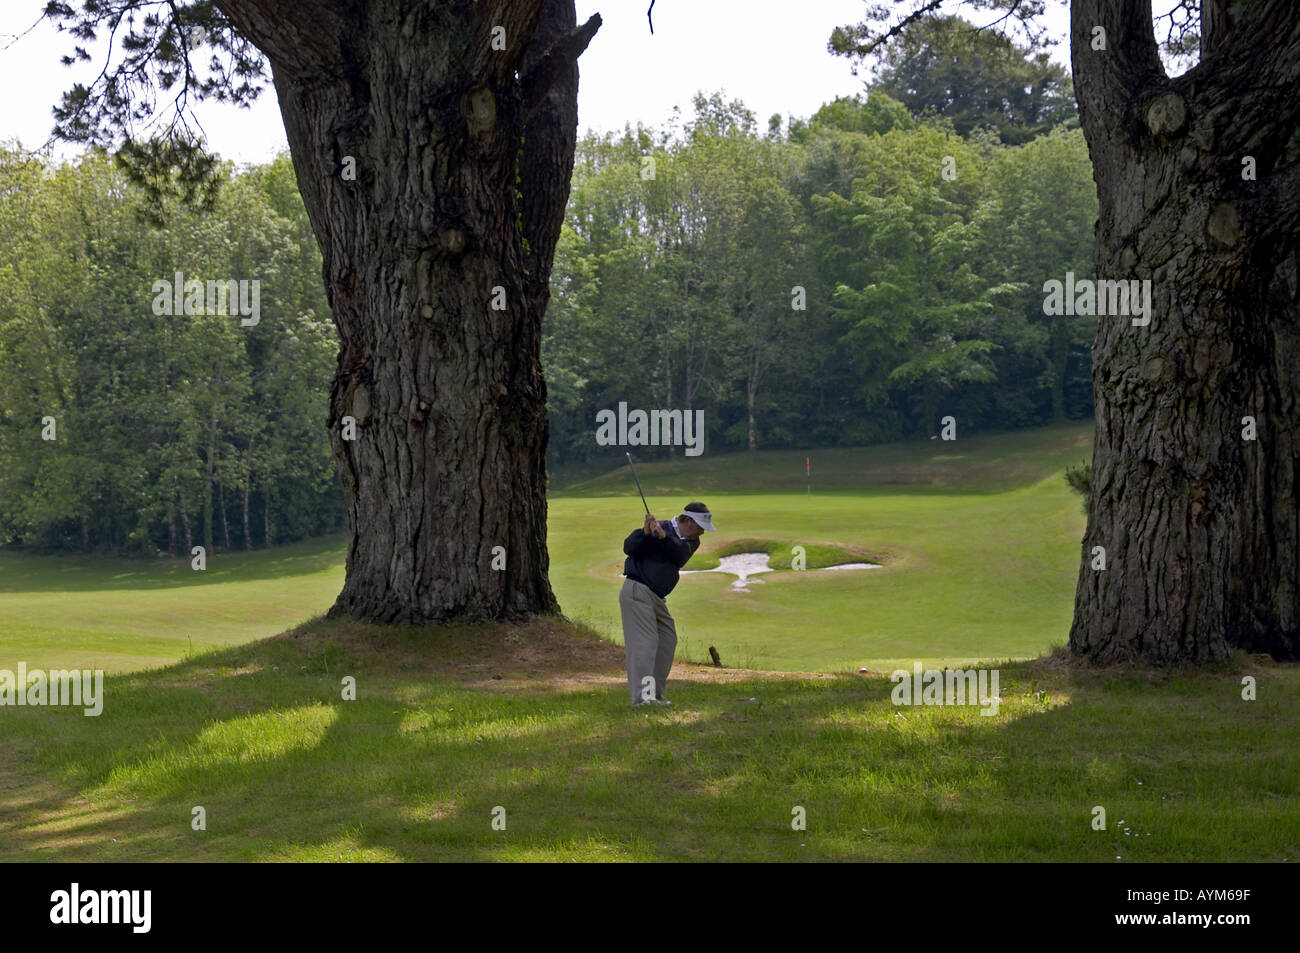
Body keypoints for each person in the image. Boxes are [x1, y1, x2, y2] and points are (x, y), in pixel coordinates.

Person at [619, 501, 716, 707]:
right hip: (637, 590)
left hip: (656, 597)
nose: (702, 532)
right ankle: (643, 699)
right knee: (645, 645)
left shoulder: (691, 542)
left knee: (667, 640)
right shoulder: (659, 527)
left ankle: (655, 695)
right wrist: (644, 533)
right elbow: (629, 547)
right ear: (688, 521)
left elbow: (678, 554)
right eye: (700, 527)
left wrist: (662, 537)